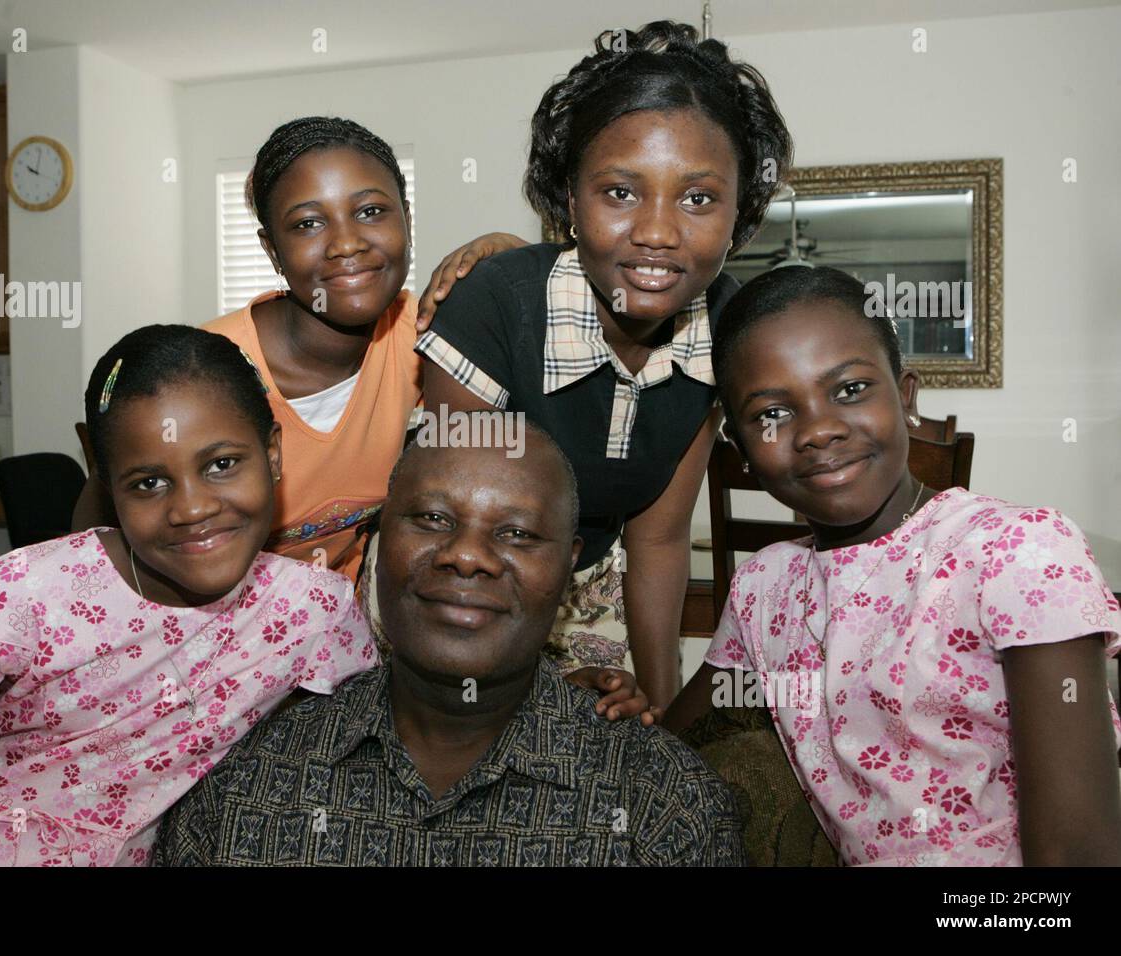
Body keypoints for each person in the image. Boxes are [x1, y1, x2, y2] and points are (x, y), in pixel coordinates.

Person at [0, 326, 375, 866]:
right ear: (104, 477)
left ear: (273, 453)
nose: (192, 509)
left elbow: (340, 763)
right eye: (148, 482)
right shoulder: (16, 598)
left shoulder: (315, 610)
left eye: (222, 464)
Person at [663, 266, 1121, 866]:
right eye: (772, 414)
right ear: (742, 453)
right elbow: (685, 734)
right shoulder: (765, 588)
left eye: (850, 390)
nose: (819, 430)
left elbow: (1076, 851)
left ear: (906, 398)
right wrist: (604, 711)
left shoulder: (1015, 551)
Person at [401, 20, 794, 709]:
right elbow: (446, 531)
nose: (658, 232)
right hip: (450, 587)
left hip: (590, 584)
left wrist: (664, 716)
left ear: (741, 213)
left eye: (699, 198)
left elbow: (661, 539)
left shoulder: (724, 330)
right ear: (569, 200)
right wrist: (535, 693)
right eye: (620, 192)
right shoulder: (493, 306)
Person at [154, 424, 744, 866]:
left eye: (516, 533)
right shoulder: (245, 785)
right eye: (433, 519)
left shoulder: (662, 805)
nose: (466, 554)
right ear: (380, 542)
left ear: (568, 570)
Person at [74, 117, 525, 581]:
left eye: (370, 211)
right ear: (272, 251)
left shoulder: (428, 333)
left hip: (336, 624)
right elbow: (98, 544)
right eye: (308, 223)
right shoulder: (205, 374)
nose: (346, 243)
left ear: (407, 220)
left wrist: (518, 271)